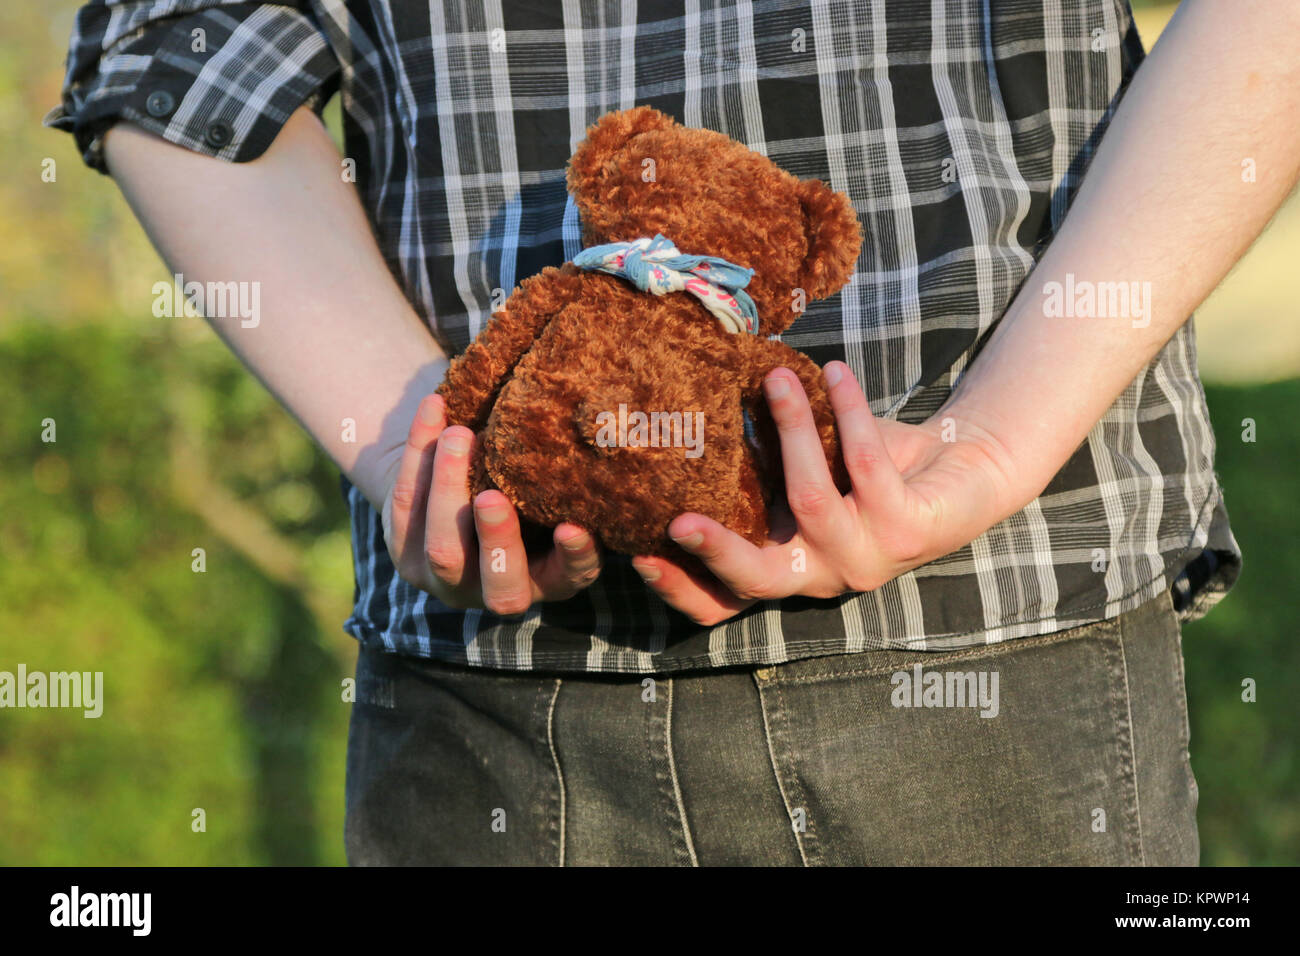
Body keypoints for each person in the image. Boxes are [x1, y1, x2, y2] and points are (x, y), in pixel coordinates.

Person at [48, 0, 1297, 865]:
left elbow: (166, 44)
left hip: (988, 647)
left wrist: (997, 447)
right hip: (489, 687)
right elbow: (165, 38)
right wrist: (412, 442)